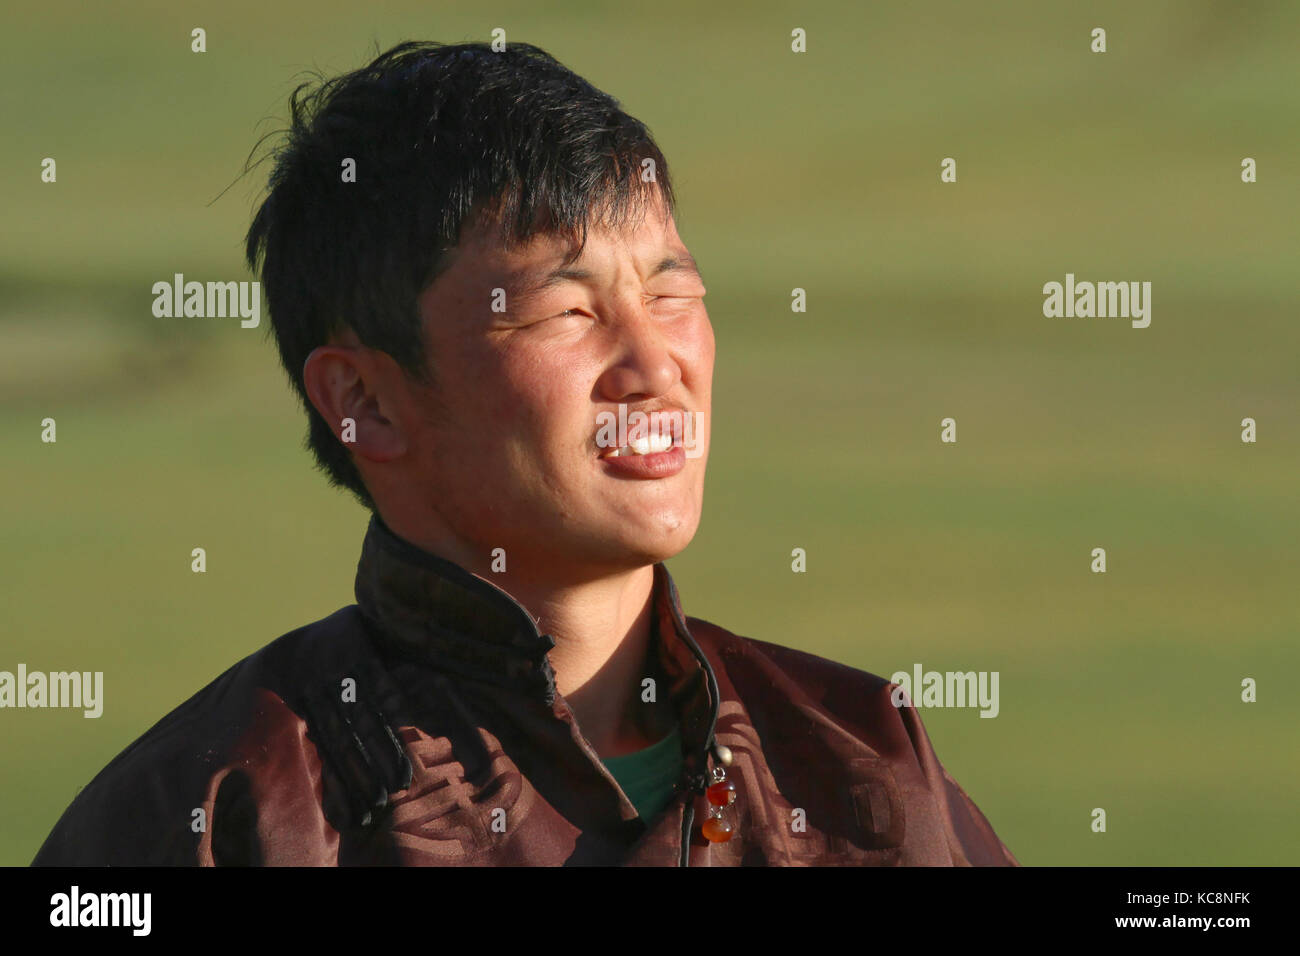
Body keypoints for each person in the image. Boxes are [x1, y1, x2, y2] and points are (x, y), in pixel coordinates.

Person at [32, 40, 1016, 866]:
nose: (654, 362)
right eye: (568, 307)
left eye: (672, 293)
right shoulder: (227, 814)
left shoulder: (858, 761)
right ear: (366, 399)